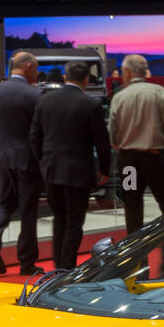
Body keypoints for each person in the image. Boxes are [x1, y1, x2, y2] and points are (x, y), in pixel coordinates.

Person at [30, 60, 111, 270]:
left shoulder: (45, 101)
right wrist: (104, 168)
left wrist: (43, 161)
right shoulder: (90, 104)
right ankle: (67, 266)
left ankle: (58, 266)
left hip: (51, 169)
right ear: (86, 79)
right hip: (78, 171)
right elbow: (101, 141)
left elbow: (34, 137)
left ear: (65, 77)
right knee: (75, 221)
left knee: (59, 219)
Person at [0, 51, 44, 276]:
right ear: (27, 67)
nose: (37, 73)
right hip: (28, 161)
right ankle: (26, 262)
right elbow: (39, 133)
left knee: (3, 203)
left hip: (0, 159)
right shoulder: (35, 94)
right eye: (35, 69)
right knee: (28, 211)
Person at [107, 53, 164, 233]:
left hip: (128, 163)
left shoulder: (119, 97)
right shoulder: (159, 92)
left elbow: (113, 135)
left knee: (131, 205)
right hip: (155, 160)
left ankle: (137, 260)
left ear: (127, 72)